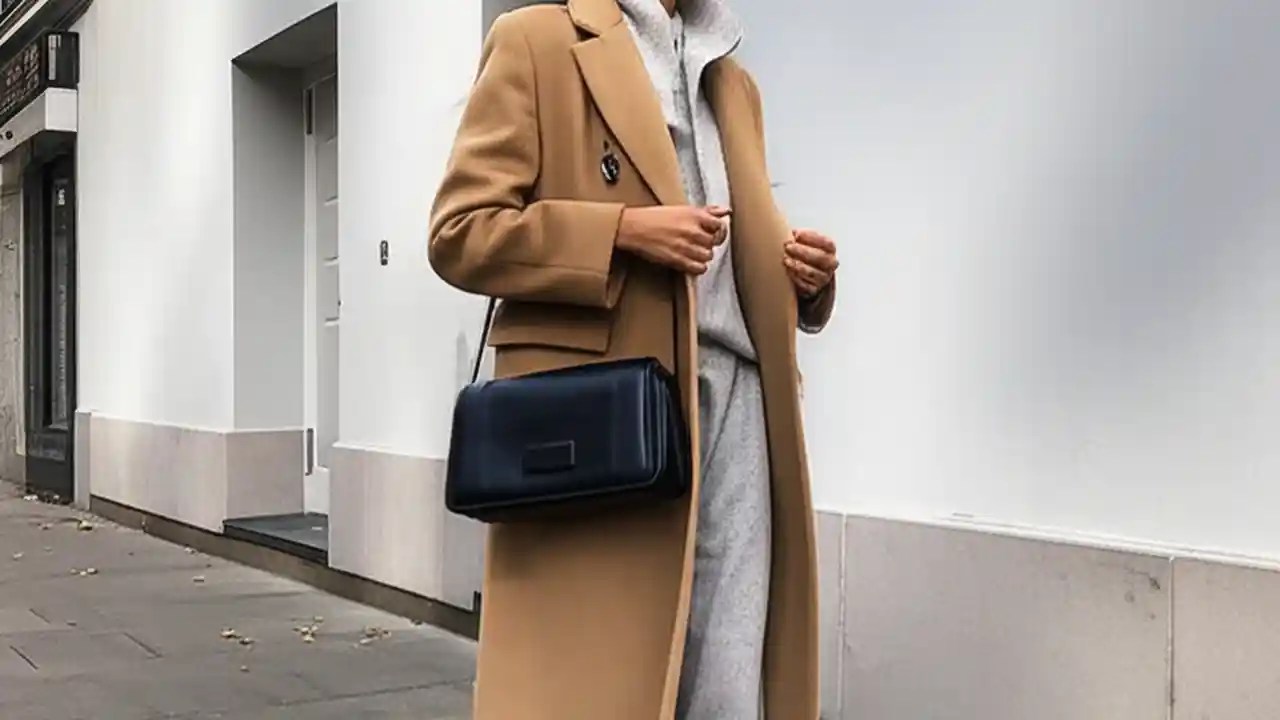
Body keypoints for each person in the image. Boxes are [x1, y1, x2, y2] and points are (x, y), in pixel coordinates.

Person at [428, 0, 838, 717]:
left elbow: (738, 244)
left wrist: (804, 279)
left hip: (743, 391)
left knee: (729, 664)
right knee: (616, 669)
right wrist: (620, 232)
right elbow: (462, 231)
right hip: (616, 399)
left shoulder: (732, 82)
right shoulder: (536, 41)